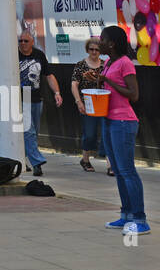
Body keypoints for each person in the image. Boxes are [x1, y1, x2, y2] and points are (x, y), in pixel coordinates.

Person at [98, 25, 148, 234]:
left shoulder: (125, 63)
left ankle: (140, 219)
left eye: (102, 39)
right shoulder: (110, 62)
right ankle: (126, 215)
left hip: (123, 122)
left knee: (127, 171)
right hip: (109, 120)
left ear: (112, 43)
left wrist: (108, 80)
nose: (98, 43)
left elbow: (133, 94)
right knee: (118, 171)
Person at [18, 29, 62, 176]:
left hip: (36, 99)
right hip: (19, 99)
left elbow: (49, 75)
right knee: (28, 131)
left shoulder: (39, 55)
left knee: (33, 132)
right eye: (20, 41)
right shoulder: (13, 55)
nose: (22, 44)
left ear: (32, 42)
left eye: (26, 41)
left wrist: (57, 93)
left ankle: (22, 159)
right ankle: (37, 163)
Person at [71, 38, 110, 174]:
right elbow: (74, 84)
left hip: (103, 103)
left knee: (106, 133)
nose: (94, 52)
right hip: (87, 104)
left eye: (97, 49)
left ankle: (110, 164)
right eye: (91, 49)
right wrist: (78, 101)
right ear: (87, 50)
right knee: (89, 134)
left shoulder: (105, 65)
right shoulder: (81, 65)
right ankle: (85, 159)